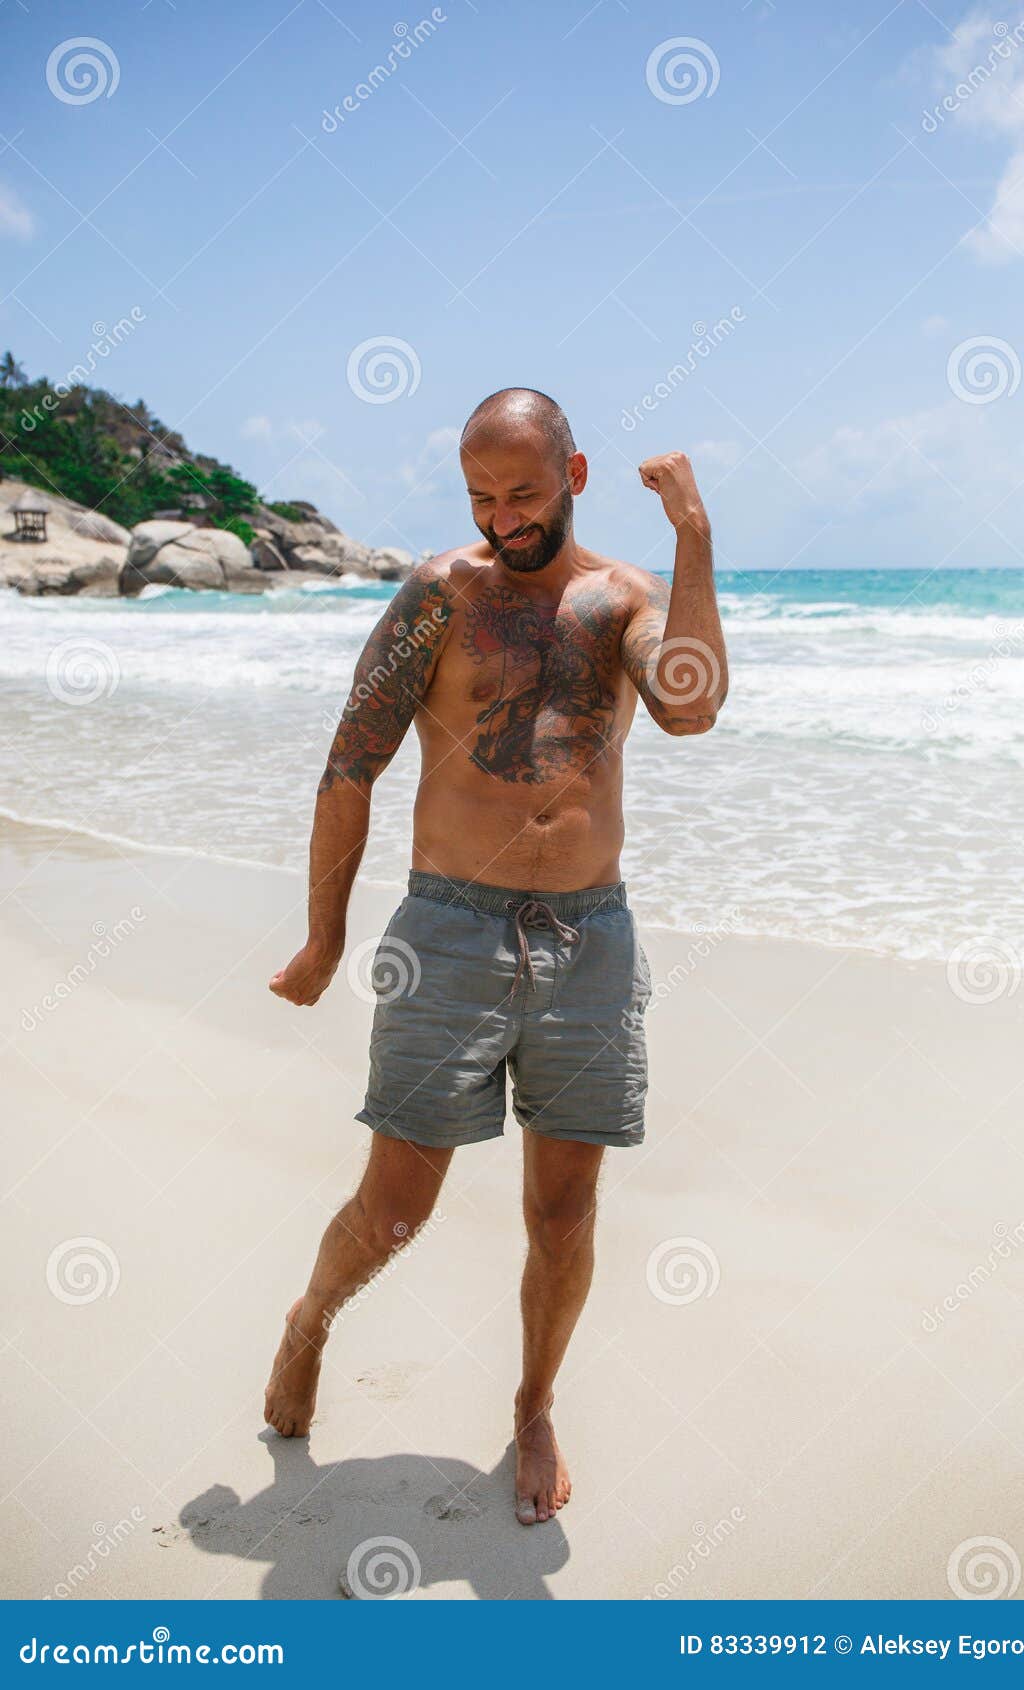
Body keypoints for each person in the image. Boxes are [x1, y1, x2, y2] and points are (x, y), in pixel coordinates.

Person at [265, 388, 728, 1525]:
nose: (502, 516)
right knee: (396, 1209)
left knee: (563, 1212)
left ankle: (531, 1405)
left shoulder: (618, 598)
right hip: (447, 934)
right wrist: (324, 935)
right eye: (481, 495)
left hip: (590, 941)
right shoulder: (440, 595)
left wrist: (693, 536)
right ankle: (308, 1322)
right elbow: (349, 764)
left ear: (572, 476)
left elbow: (693, 707)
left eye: (522, 493)